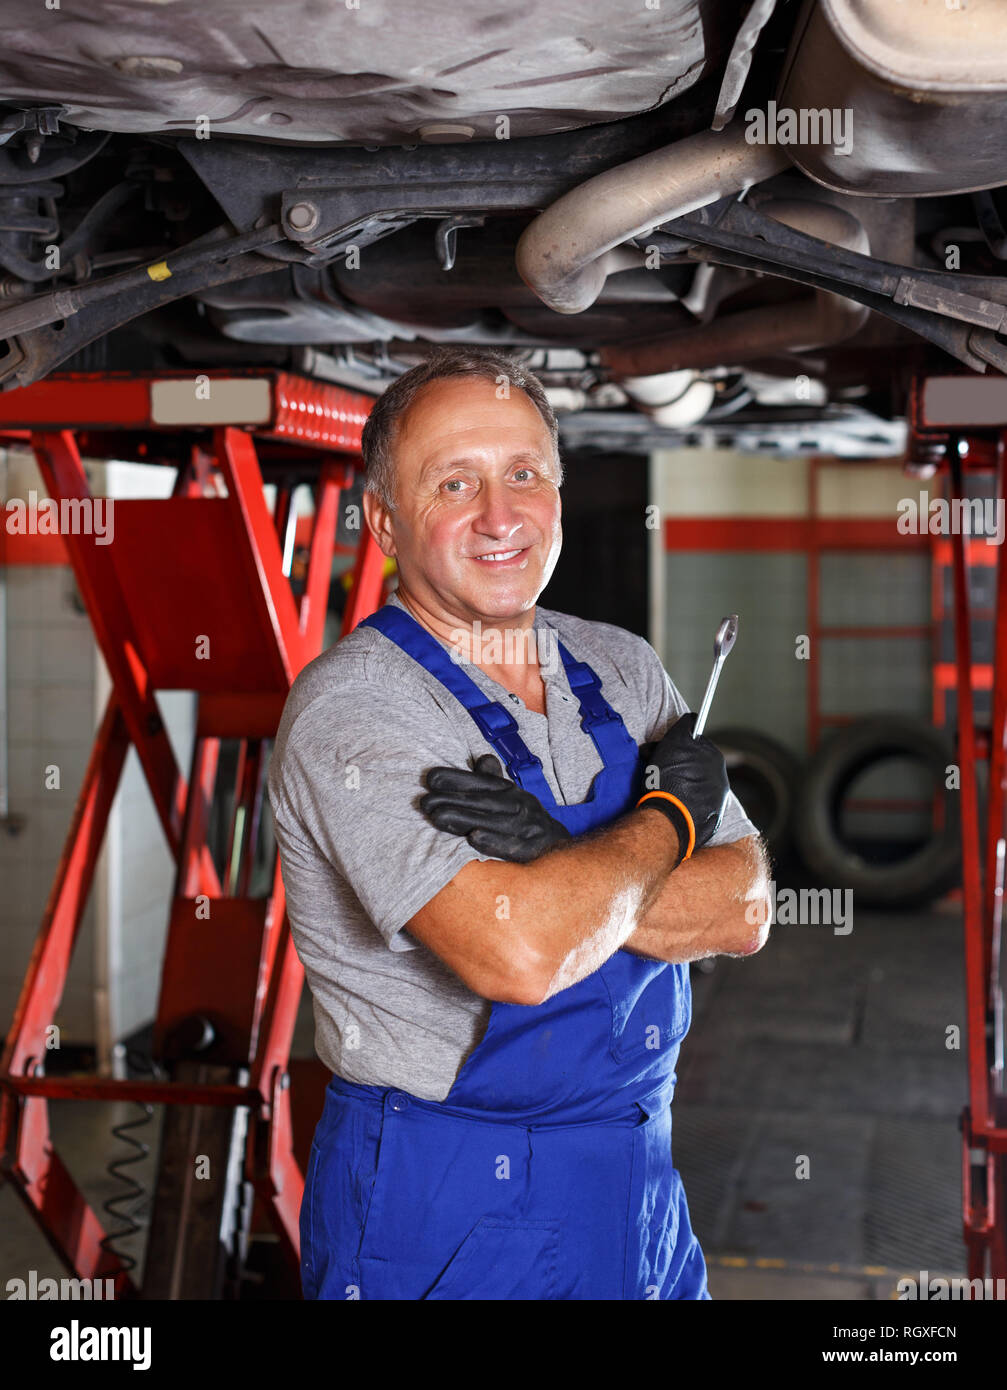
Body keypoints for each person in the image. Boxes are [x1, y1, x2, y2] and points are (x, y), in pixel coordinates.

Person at [266, 346, 772, 1300]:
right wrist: (666, 816)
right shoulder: (358, 709)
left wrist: (553, 858)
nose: (500, 517)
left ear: (559, 494)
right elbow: (522, 956)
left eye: (524, 474)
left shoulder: (620, 667)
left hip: (638, 1174)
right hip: (446, 1200)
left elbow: (742, 908)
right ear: (383, 522)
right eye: (454, 483)